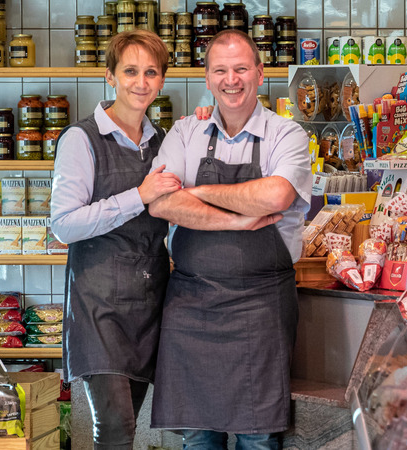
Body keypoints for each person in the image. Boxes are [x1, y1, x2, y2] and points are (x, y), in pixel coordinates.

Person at [148, 29, 311, 449]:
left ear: (259, 72)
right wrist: (238, 219)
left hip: (262, 306)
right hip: (191, 303)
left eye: (241, 68)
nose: (231, 79)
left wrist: (197, 192)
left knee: (258, 440)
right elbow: (161, 205)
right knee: (198, 440)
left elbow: (276, 194)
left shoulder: (286, 134)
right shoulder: (185, 131)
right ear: (207, 78)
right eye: (220, 70)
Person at [51, 29, 181, 449]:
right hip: (98, 306)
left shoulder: (163, 142)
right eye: (130, 71)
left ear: (162, 80)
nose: (140, 82)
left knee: (125, 429)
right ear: (110, 75)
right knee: (115, 429)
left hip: (147, 306)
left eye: (151, 72)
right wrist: (138, 196)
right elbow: (64, 224)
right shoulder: (80, 139)